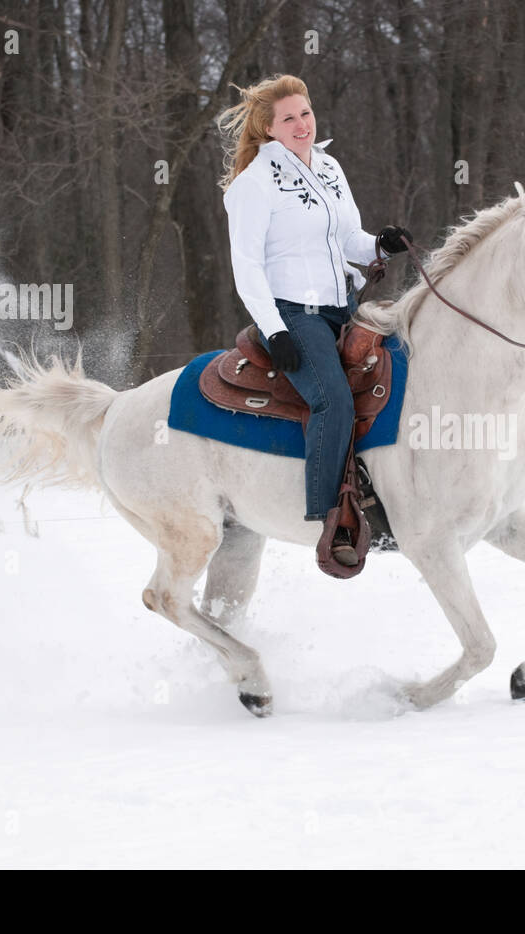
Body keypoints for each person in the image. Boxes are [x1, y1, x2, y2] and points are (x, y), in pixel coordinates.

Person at [216, 74, 411, 566]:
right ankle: (334, 518)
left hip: (341, 307)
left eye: (305, 113)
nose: (302, 124)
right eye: (289, 118)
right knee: (334, 402)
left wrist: (378, 245)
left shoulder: (327, 165)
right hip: (289, 315)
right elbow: (247, 266)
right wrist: (275, 329)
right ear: (267, 128)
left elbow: (348, 239)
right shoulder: (253, 185)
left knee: (403, 372)